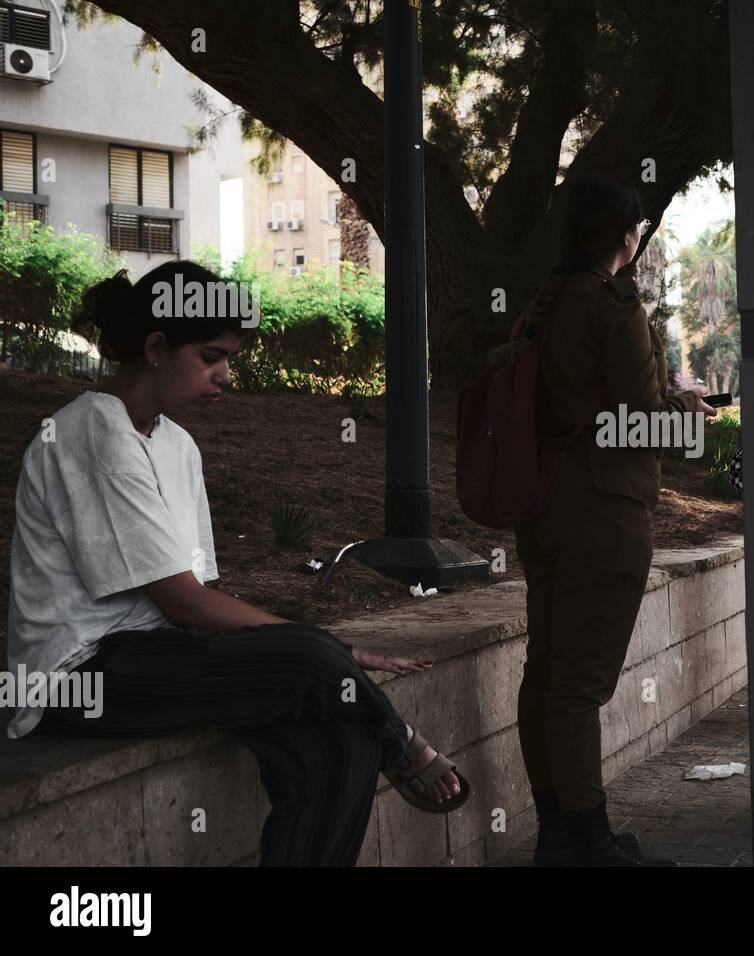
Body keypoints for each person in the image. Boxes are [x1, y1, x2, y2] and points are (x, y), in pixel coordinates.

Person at [8, 260, 467, 866]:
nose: (227, 375)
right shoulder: (92, 432)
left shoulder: (176, 444)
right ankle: (404, 743)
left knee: (345, 746)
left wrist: (325, 660)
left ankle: (374, 738)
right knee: (310, 658)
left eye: (230, 357)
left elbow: (200, 595)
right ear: (155, 347)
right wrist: (324, 654)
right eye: (210, 356)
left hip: (162, 655)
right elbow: (184, 601)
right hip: (83, 674)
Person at [510, 174, 715, 866]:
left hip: (543, 509)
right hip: (606, 511)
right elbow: (636, 423)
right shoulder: (611, 305)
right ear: (628, 235)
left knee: (545, 676)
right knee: (581, 686)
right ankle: (590, 843)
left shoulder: (545, 304)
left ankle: (558, 834)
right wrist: (686, 415)